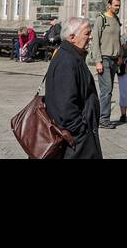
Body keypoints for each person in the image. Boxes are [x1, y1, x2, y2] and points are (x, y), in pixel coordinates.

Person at [43, 17, 103, 159]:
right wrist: (81, 131)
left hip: (78, 136)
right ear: (72, 37)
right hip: (75, 140)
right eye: (87, 33)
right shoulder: (67, 60)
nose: (90, 37)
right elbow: (65, 104)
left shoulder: (71, 55)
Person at [88, 0, 123, 129]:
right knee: (106, 90)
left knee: (109, 90)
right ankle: (103, 119)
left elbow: (118, 40)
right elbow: (95, 41)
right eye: (116, 5)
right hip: (104, 59)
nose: (118, 8)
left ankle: (103, 117)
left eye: (119, 5)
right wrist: (98, 61)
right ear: (109, 5)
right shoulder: (100, 19)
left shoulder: (116, 19)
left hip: (114, 60)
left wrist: (120, 55)